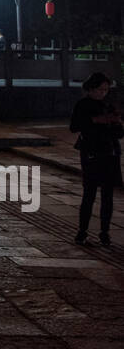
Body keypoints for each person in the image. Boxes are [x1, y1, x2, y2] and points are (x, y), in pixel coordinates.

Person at [70, 72, 122, 246]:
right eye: (100, 89)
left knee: (108, 195)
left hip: (110, 153)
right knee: (89, 193)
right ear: (91, 89)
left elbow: (118, 133)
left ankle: (105, 232)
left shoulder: (108, 105)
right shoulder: (83, 105)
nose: (103, 93)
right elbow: (74, 126)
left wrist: (116, 122)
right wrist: (96, 120)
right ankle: (82, 231)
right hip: (92, 153)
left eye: (106, 90)